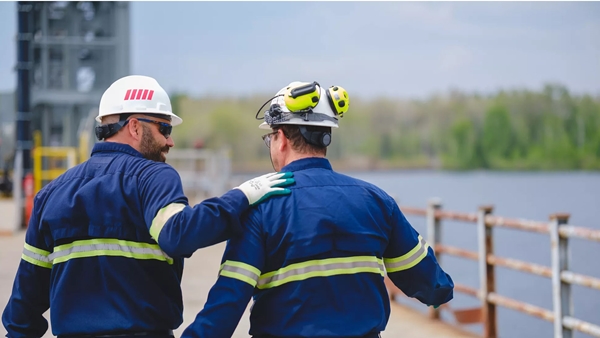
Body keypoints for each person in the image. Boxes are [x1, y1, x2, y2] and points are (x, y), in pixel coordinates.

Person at [2, 75, 295, 338]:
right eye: (164, 127)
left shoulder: (51, 194)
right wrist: (242, 196)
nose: (170, 141)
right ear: (133, 126)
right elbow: (178, 235)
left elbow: (23, 308)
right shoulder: (153, 177)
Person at [182, 81, 454, 338]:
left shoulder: (259, 209)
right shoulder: (377, 201)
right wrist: (441, 289)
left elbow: (225, 307)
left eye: (270, 138)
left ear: (281, 138)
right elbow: (434, 285)